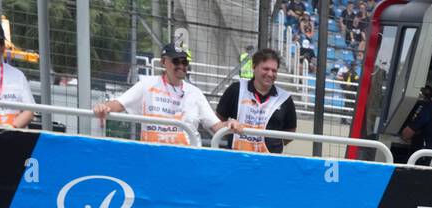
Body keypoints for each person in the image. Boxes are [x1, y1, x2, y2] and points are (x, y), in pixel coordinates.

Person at [93, 42, 229, 145]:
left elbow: (217, 127)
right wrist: (104, 107)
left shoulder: (195, 93)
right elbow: (119, 104)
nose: (181, 66)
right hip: (153, 157)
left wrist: (231, 125)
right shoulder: (147, 85)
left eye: (185, 62)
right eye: (176, 61)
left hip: (186, 159)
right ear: (164, 62)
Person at [215, 48, 297, 153]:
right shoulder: (236, 89)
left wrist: (272, 144)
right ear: (254, 67)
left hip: (270, 159)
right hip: (237, 156)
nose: (270, 74)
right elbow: (218, 120)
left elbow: (290, 133)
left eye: (274, 71)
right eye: (266, 69)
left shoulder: (285, 99)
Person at [0, 19, 35, 128]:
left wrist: (11, 129)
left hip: (14, 135)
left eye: (0, 42)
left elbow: (29, 110)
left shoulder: (18, 75)